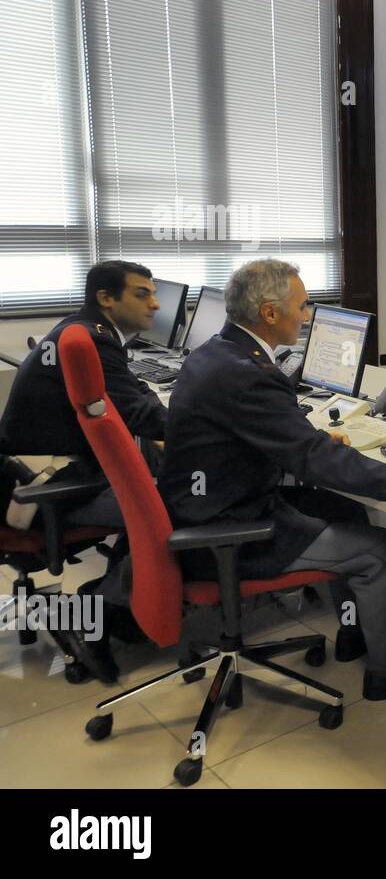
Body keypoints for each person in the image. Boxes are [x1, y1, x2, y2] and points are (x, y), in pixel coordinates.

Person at [159, 259, 386, 700]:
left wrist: (303, 437)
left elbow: (259, 437)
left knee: (346, 508)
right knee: (382, 551)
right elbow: (313, 460)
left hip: (205, 506)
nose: (307, 316)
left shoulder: (217, 353)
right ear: (270, 314)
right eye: (303, 306)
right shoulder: (250, 375)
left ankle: (356, 630)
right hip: (229, 529)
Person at [0, 260, 170, 682]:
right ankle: (107, 610)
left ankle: (123, 603)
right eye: (142, 294)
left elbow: (127, 389)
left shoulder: (83, 331)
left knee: (158, 471)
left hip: (33, 475)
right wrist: (208, 419)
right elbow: (143, 416)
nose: (155, 303)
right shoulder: (93, 341)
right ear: (106, 298)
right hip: (48, 492)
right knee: (166, 507)